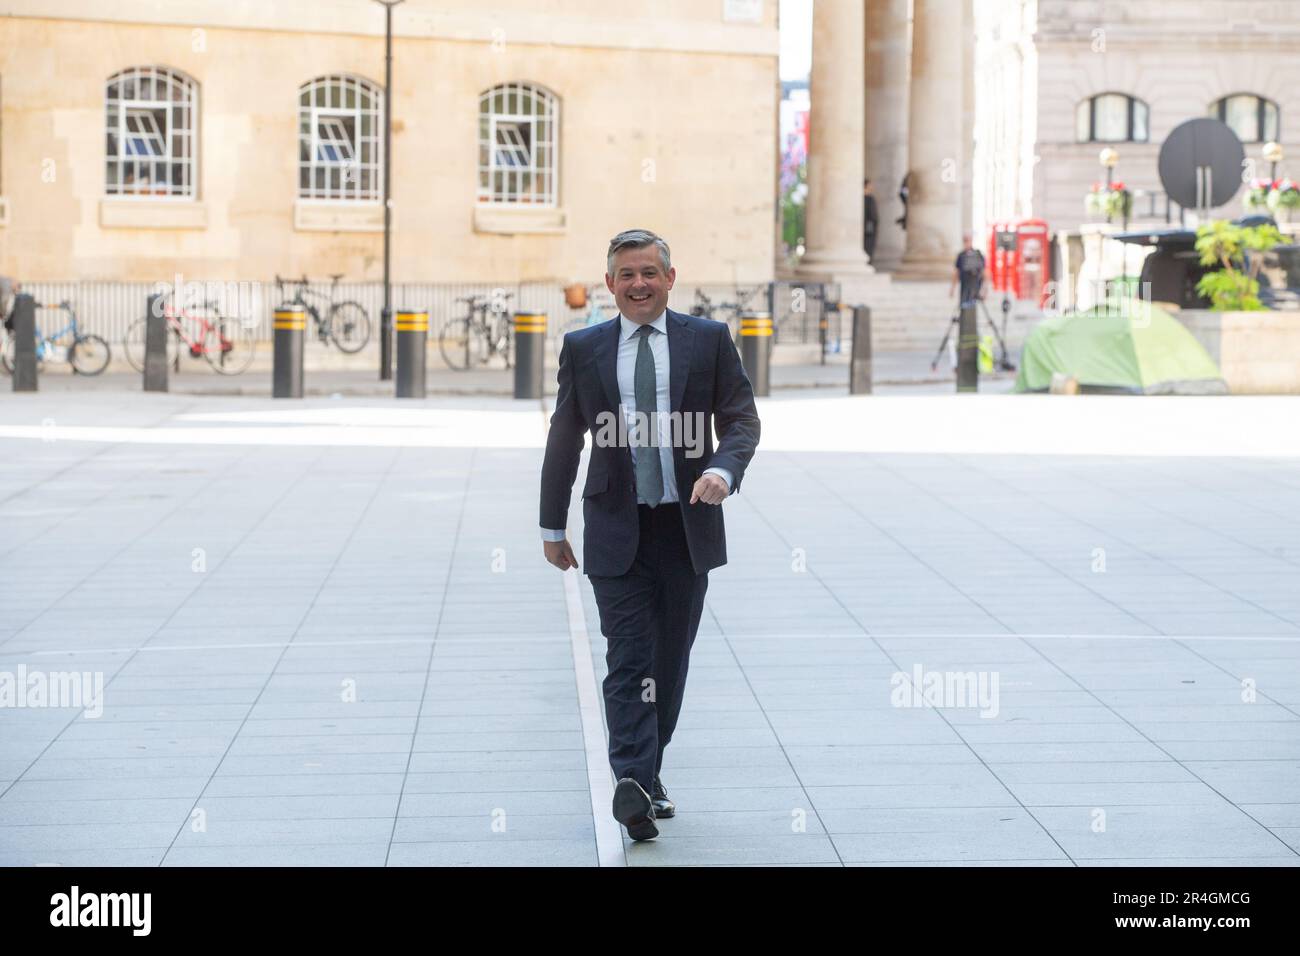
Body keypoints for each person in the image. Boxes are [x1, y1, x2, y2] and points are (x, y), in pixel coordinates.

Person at [539, 228, 761, 842]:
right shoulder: (584, 348)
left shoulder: (709, 341)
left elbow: (741, 419)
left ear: (669, 278)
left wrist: (722, 468)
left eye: (650, 273)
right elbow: (565, 437)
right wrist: (551, 523)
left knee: (668, 660)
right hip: (616, 527)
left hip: (685, 525)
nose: (639, 284)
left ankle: (648, 770)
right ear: (610, 285)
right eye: (627, 275)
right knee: (628, 657)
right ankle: (632, 782)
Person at [950, 233, 986, 306]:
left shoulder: (978, 254)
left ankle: (971, 315)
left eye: (968, 240)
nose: (967, 243)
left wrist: (985, 289)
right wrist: (952, 288)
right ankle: (964, 316)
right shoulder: (961, 255)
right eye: (965, 241)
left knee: (973, 304)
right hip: (964, 283)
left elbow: (984, 271)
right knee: (964, 304)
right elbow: (956, 272)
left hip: (976, 283)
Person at [862, 178, 880, 261]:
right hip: (869, 229)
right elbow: (873, 216)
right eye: (870, 186)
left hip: (865, 228)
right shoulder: (869, 199)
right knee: (868, 248)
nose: (872, 188)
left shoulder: (861, 199)